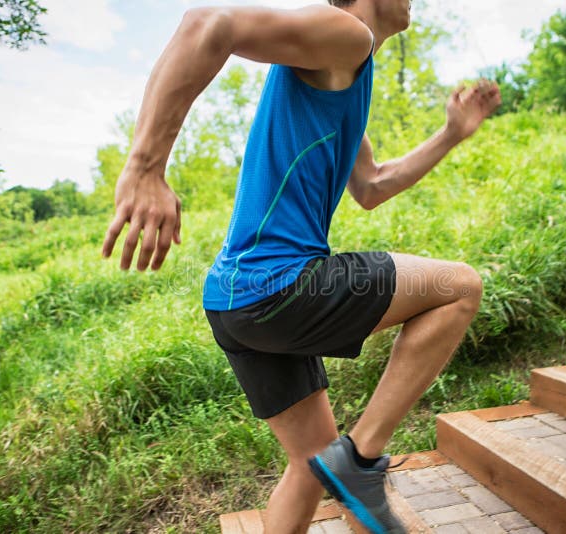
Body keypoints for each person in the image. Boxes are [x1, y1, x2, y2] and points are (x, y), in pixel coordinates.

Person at [102, 1, 501, 532]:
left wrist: (452, 134)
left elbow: (372, 185)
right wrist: (146, 166)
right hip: (279, 284)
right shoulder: (348, 35)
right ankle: (360, 461)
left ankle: (346, 467)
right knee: (459, 287)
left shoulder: (344, 69)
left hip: (233, 300)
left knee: (309, 463)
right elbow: (207, 23)